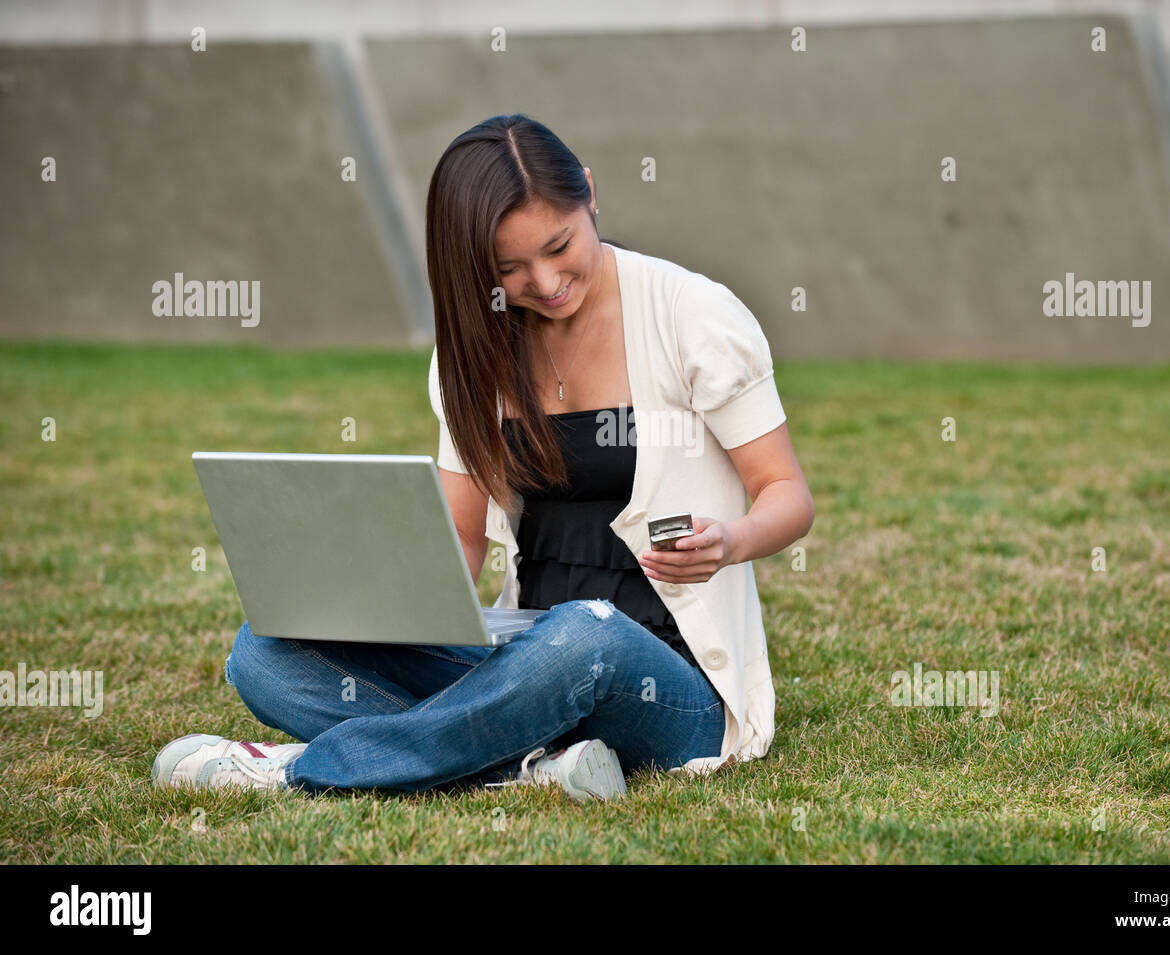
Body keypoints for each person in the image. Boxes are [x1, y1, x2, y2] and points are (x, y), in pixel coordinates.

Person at [153, 113, 815, 802]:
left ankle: (301, 770)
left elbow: (787, 495)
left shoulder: (692, 313)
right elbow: (461, 543)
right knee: (263, 654)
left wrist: (730, 539)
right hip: (526, 654)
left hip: (665, 681)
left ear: (589, 194)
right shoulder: (476, 354)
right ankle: (534, 765)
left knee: (584, 633)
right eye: (511, 269)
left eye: (560, 245)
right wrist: (369, 595)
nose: (548, 280)